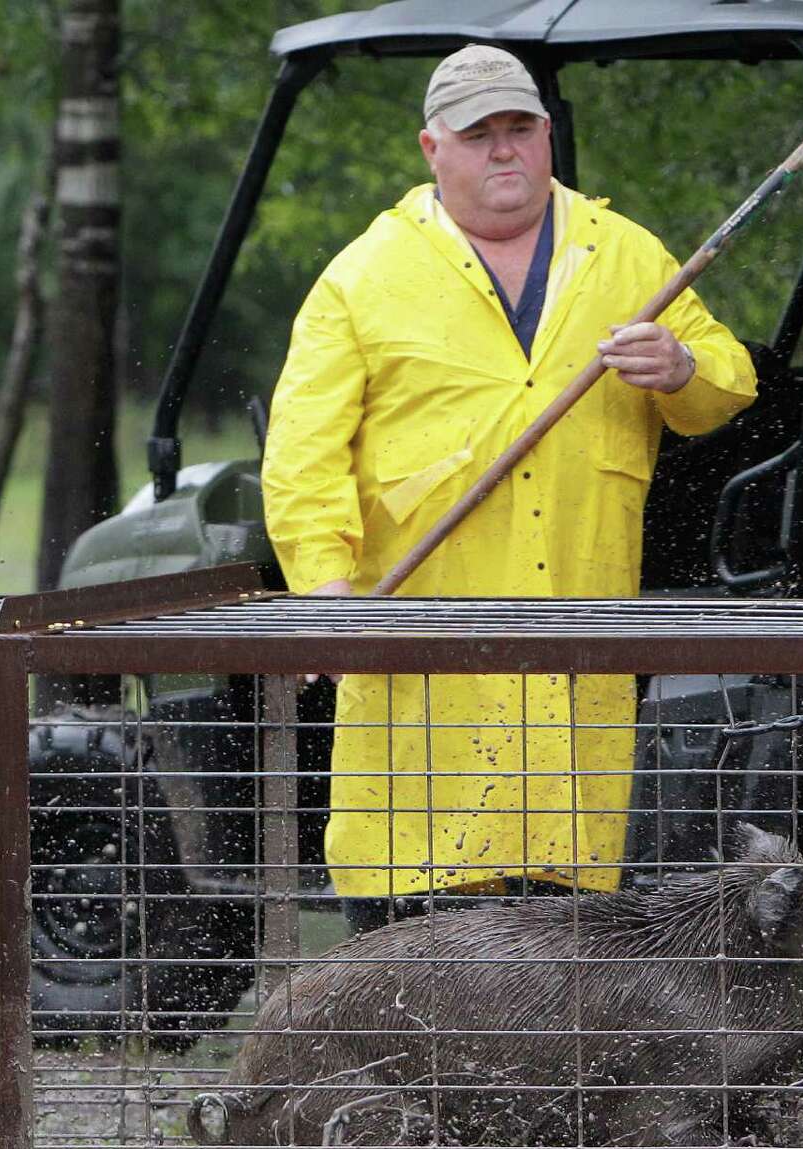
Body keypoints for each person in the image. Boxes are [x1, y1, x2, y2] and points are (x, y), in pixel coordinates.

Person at [261, 46, 757, 931]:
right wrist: (326, 592)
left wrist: (681, 367)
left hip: (576, 644)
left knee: (557, 940)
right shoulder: (363, 277)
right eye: (478, 134)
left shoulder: (627, 254)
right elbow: (303, 457)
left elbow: (728, 384)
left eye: (519, 129)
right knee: (411, 922)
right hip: (418, 660)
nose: (504, 152)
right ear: (430, 148)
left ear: (546, 135)